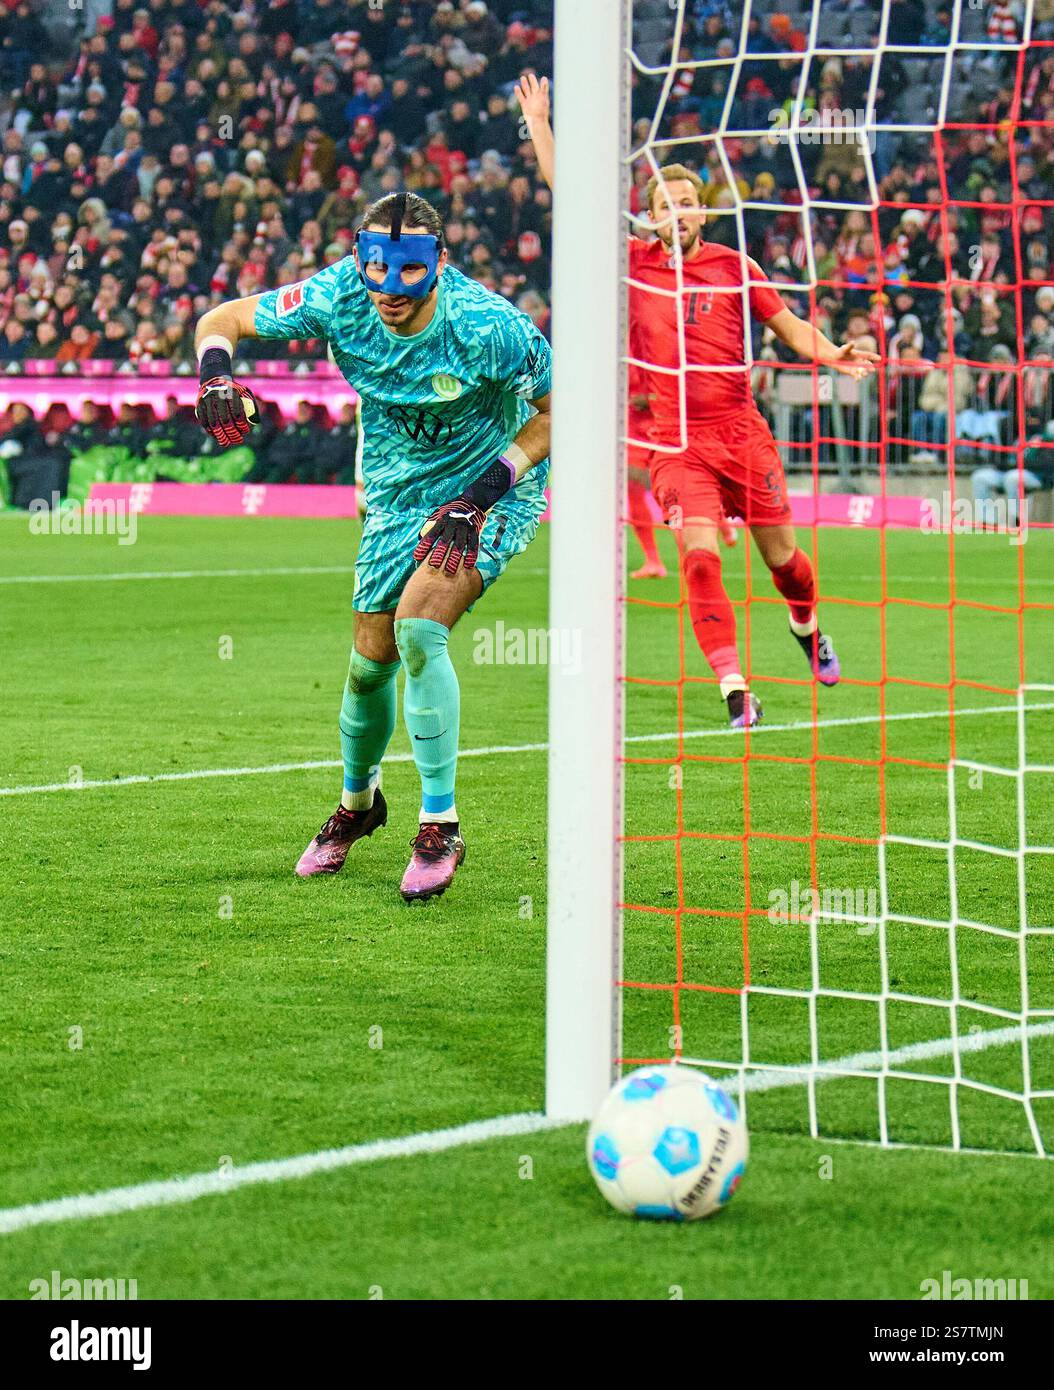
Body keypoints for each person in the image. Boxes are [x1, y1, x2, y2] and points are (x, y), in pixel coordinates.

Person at [193, 191, 552, 901]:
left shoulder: (487, 326)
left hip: (490, 489)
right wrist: (216, 378)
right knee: (368, 666)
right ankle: (360, 807)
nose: (389, 293)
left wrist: (478, 497)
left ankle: (440, 824)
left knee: (420, 631)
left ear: (439, 264)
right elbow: (221, 319)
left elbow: (560, 408)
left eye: (409, 276)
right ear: (361, 262)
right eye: (376, 274)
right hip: (394, 493)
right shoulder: (336, 293)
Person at [516, 75, 877, 728]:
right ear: (651, 215)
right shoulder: (632, 263)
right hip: (675, 444)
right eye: (664, 205)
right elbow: (570, 197)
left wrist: (831, 353)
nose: (676, 214)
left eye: (687, 204)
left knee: (785, 564)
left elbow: (789, 326)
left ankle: (808, 627)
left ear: (702, 213)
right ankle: (736, 690)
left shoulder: (736, 267)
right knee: (701, 556)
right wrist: (540, 123)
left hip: (742, 433)